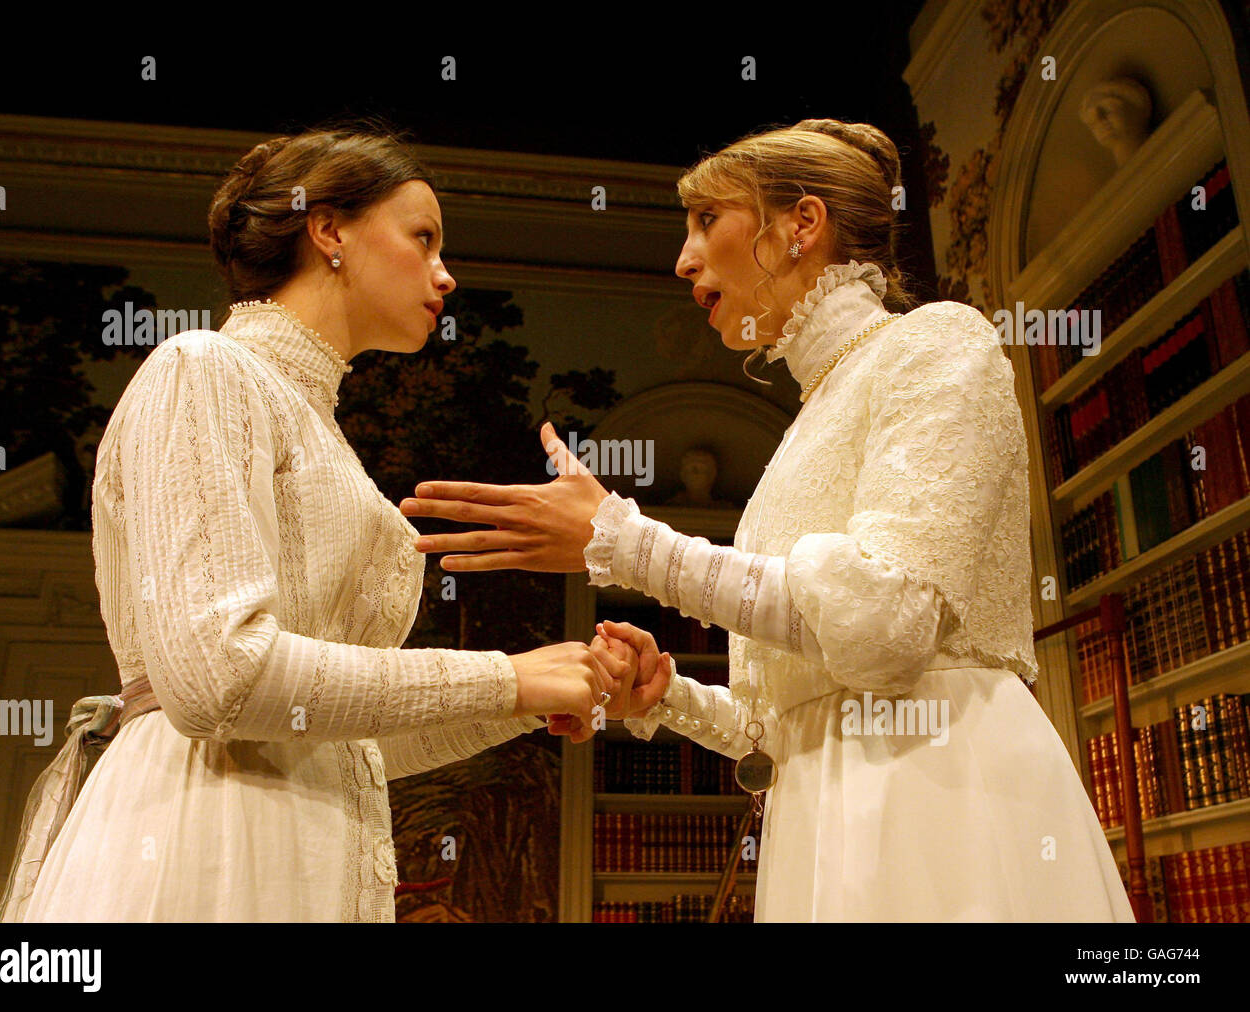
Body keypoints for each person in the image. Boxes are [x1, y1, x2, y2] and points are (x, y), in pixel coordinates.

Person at [399, 119, 1137, 922]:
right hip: (824, 815)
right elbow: (790, 718)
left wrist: (620, 540)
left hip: (940, 796)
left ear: (800, 226)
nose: (683, 258)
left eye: (707, 221)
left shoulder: (935, 343)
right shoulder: (803, 426)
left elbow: (889, 622)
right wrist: (666, 695)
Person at [0, 123, 668, 923]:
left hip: (303, 840)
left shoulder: (324, 436)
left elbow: (340, 738)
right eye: (423, 238)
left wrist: (527, 696)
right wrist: (506, 676)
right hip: (203, 835)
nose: (445, 275)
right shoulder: (203, 369)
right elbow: (219, 679)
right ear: (329, 230)